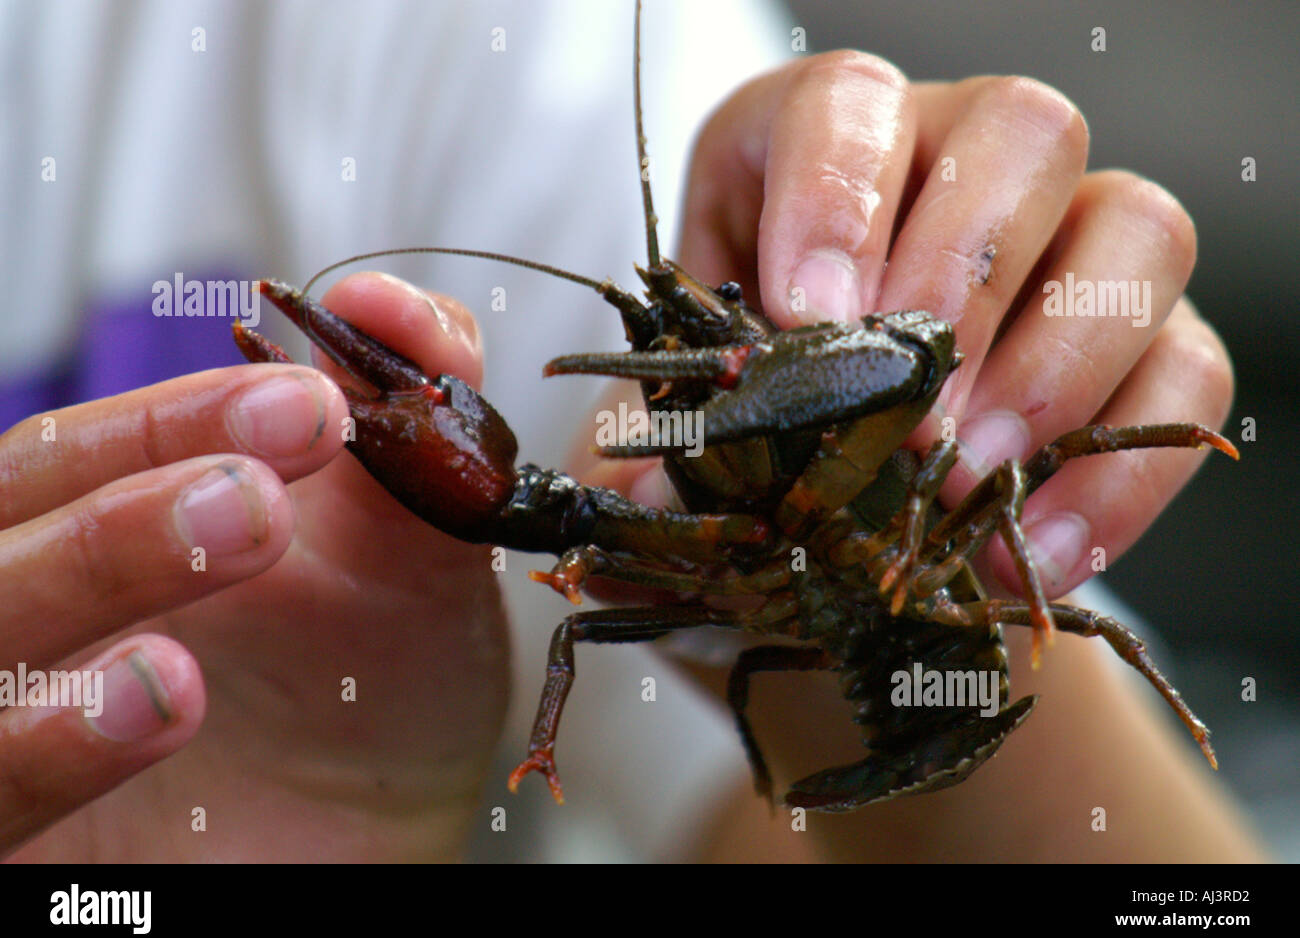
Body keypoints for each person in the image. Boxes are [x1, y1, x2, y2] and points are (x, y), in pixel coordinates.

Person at [0, 0, 1262, 862]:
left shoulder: (471, 43)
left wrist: (942, 372)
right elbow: (576, 561)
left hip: (916, 673)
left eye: (715, 347)